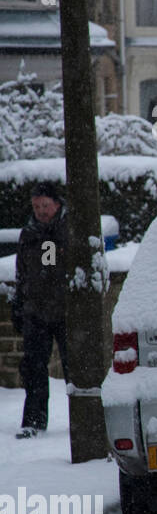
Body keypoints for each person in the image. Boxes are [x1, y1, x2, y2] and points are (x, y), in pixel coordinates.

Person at [12, 181, 69, 439]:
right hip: (36, 312)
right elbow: (21, 273)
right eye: (36, 207)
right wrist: (18, 304)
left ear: (57, 204)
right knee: (34, 368)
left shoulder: (69, 230)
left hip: (66, 311)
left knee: (75, 369)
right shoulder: (29, 233)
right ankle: (33, 422)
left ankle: (85, 423)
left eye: (45, 205)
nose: (41, 211)